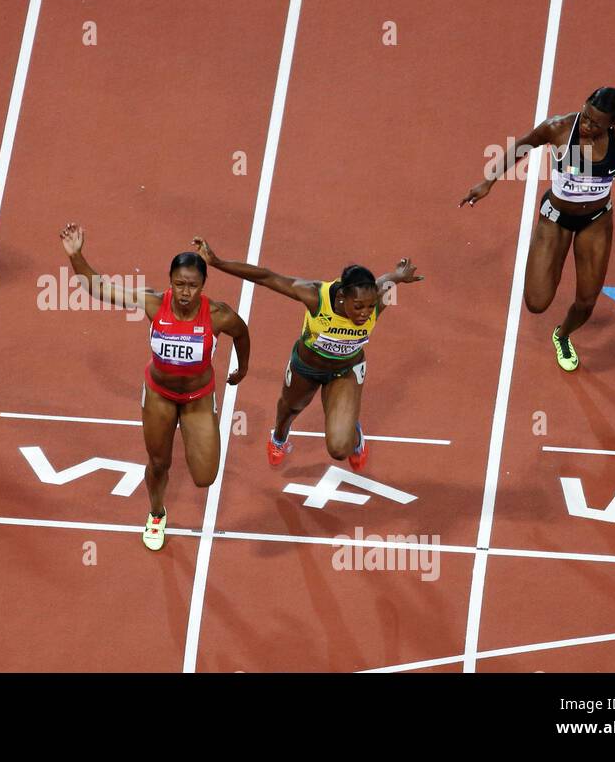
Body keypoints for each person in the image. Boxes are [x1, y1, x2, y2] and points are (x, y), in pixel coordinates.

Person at [60, 223, 249, 551]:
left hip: (198, 398)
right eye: (179, 284)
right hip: (160, 395)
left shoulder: (218, 315)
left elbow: (242, 334)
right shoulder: (152, 303)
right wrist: (77, 256)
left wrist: (242, 367)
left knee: (204, 477)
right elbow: (100, 287)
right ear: (170, 282)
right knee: (159, 463)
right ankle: (156, 513)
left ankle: (190, 449)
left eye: (192, 285)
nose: (185, 292)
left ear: (203, 284)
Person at [192, 237, 421, 471]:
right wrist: (216, 262)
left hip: (345, 371)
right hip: (306, 367)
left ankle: (354, 432)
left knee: (340, 449)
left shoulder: (376, 296)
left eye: (370, 306)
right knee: (288, 410)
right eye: (359, 306)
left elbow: (389, 279)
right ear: (342, 296)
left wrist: (399, 275)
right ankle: (279, 438)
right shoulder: (315, 296)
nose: (365, 313)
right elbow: (266, 277)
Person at [459, 86, 615, 371]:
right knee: (536, 302)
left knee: (586, 302)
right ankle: (553, 261)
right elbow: (522, 145)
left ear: (613, 123)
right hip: (556, 217)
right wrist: (488, 181)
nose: (586, 124)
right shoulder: (558, 128)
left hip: (596, 221)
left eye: (596, 123)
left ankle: (562, 335)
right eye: (585, 116)